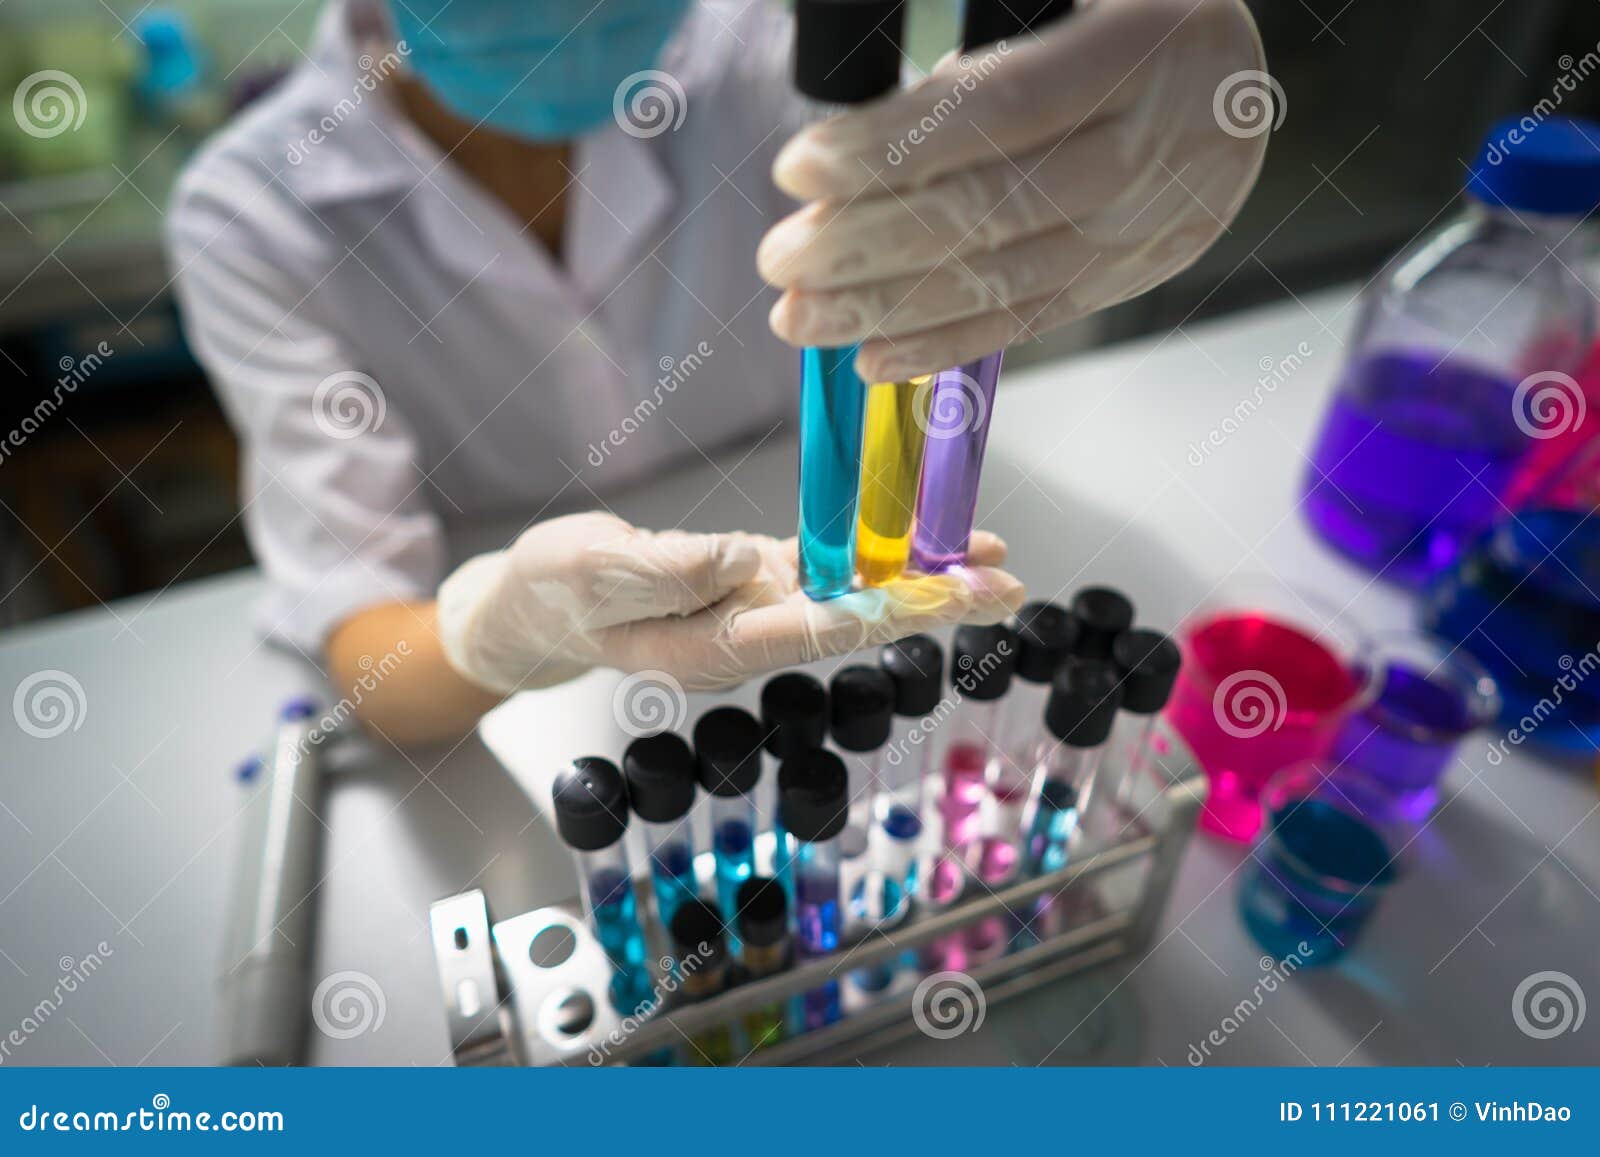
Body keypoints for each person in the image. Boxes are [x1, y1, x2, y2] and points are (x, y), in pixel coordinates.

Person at [166, 0, 1268, 745]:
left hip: (901, 587)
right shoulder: (256, 210)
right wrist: (500, 629)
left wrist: (1123, 90)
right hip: (525, 730)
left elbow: (985, 151)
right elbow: (365, 646)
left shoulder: (763, 51)